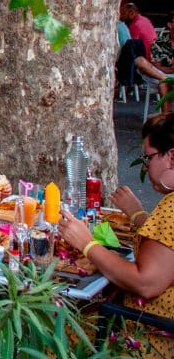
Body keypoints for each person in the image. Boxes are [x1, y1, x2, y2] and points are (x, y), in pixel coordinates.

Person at [58, 113, 174, 356]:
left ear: (171, 157)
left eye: (148, 157)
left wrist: (87, 244)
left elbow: (145, 283)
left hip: (146, 337)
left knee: (52, 330)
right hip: (144, 322)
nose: (145, 166)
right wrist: (138, 216)